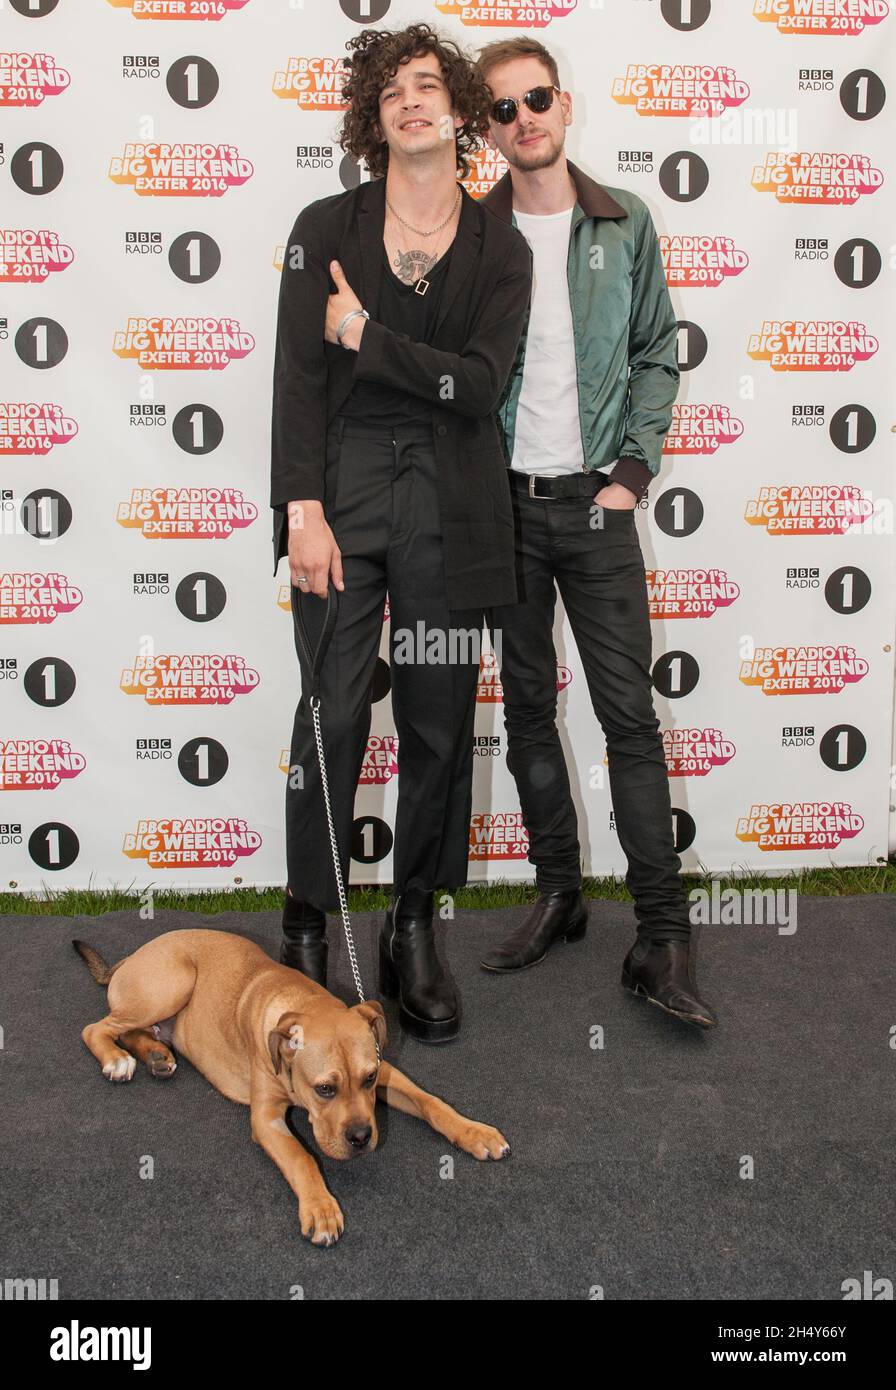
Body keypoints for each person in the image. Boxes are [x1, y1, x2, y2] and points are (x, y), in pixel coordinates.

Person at [269, 23, 532, 1041]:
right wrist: (301, 508)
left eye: (429, 86)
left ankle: (411, 929)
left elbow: (476, 387)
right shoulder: (321, 227)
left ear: (460, 109)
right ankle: (304, 921)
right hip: (341, 495)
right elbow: (297, 379)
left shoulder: (495, 245)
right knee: (329, 717)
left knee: (433, 727)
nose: (412, 101)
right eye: (392, 92)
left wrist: (368, 340)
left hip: (452, 507)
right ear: (370, 118)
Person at [474, 36, 716, 1028]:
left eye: (535, 98)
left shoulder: (623, 220)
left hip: (594, 507)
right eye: (501, 108)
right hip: (503, 509)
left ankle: (659, 933)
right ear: (482, 130)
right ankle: (558, 889)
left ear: (563, 105)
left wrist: (631, 470)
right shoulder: (468, 236)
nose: (522, 117)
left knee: (626, 717)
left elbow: (658, 349)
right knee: (528, 710)